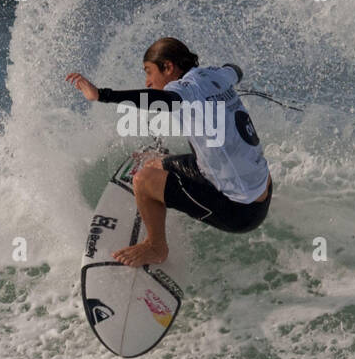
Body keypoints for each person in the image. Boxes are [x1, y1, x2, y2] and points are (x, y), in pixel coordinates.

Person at [65, 37, 272, 268]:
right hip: (262, 186)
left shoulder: (184, 90)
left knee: (142, 180)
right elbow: (235, 70)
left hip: (241, 211)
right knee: (154, 163)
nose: (148, 81)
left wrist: (102, 95)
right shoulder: (217, 75)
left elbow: (162, 99)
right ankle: (162, 177)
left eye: (149, 72)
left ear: (168, 67)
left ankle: (155, 247)